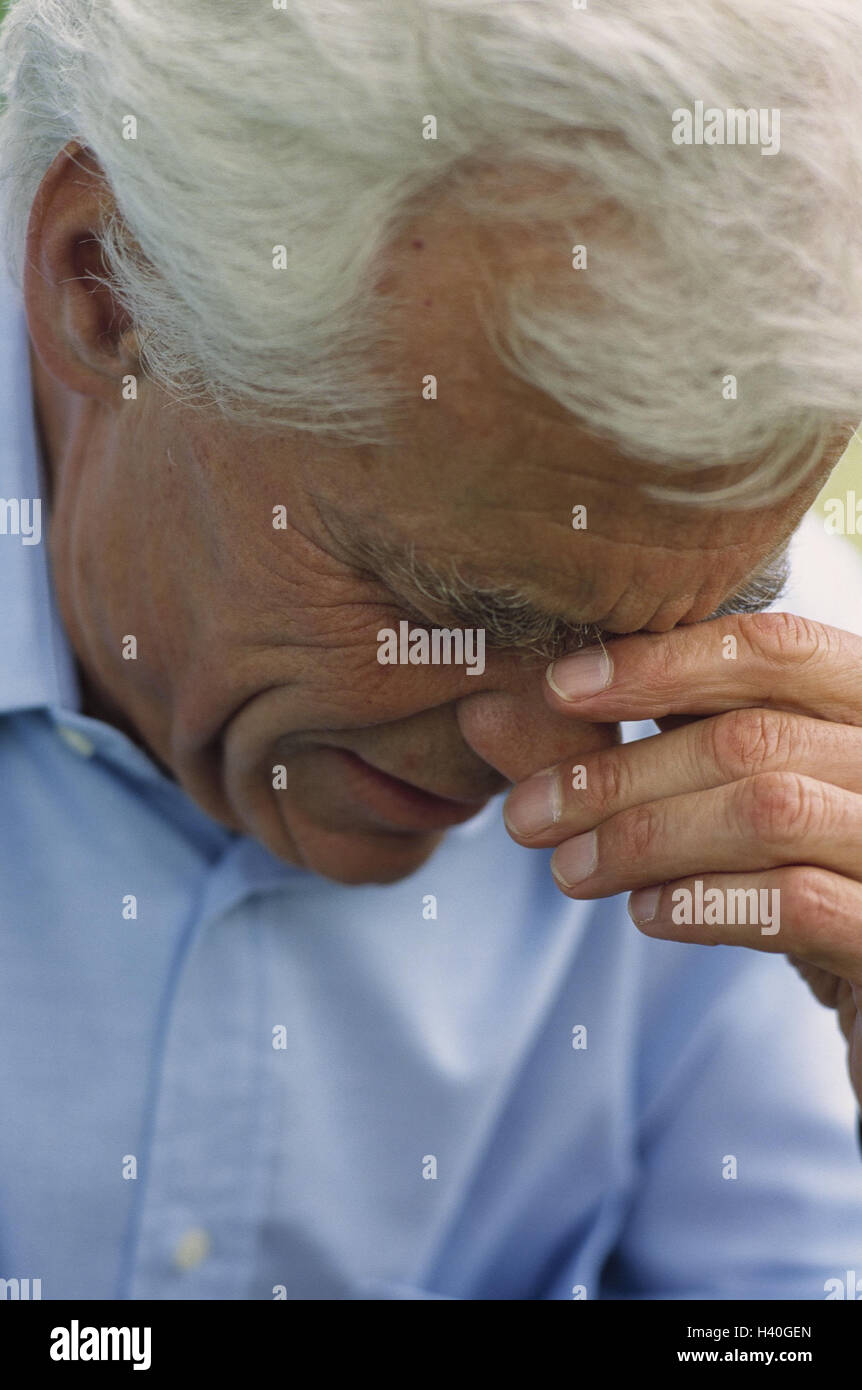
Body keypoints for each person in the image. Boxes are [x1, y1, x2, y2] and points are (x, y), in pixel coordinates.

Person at [1, 0, 862, 1301]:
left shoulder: (778, 758)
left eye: (659, 631)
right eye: (441, 599)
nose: (546, 763)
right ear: (107, 287)